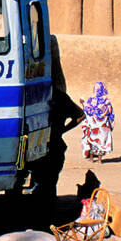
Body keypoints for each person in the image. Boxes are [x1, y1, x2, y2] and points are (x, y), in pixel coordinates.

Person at [26, 37, 84, 219]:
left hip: (39, 148)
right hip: (53, 147)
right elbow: (80, 116)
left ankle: (42, 218)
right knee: (48, 185)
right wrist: (61, 131)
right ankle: (45, 216)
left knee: (42, 185)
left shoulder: (37, 97)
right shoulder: (60, 97)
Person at [80, 82, 115, 162]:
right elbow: (109, 112)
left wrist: (82, 102)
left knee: (93, 140)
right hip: (103, 127)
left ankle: (92, 159)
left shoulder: (91, 100)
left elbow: (87, 109)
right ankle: (99, 159)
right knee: (101, 141)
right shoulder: (106, 101)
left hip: (93, 126)